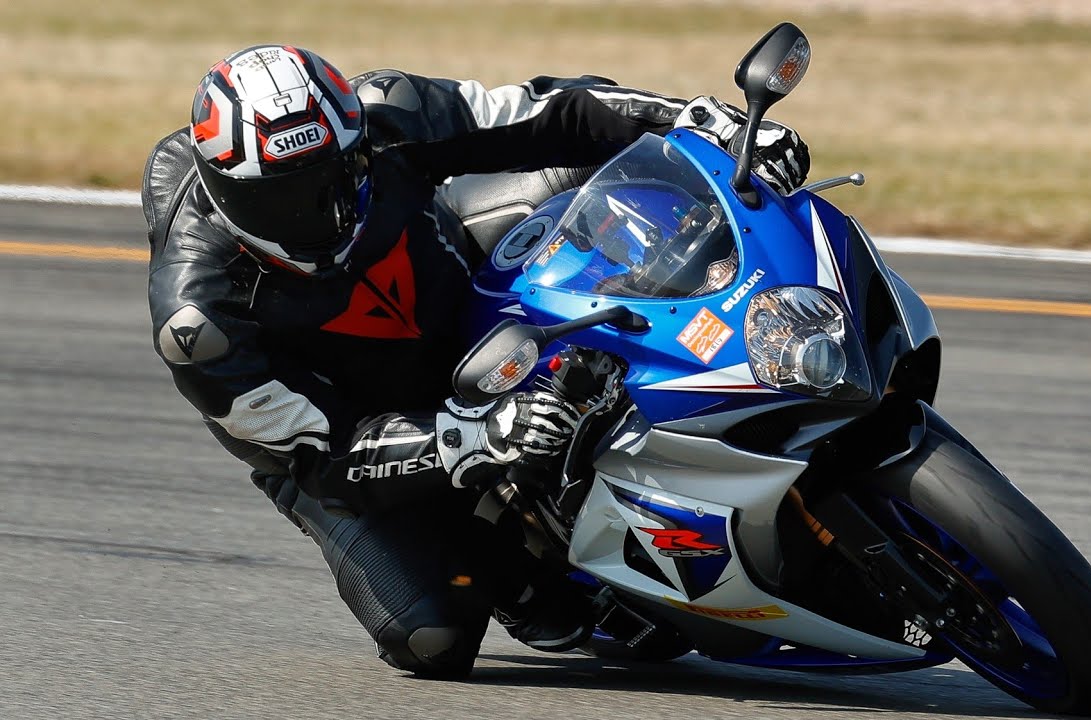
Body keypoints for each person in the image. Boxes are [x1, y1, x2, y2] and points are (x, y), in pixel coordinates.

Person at [143, 44, 809, 679]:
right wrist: (473, 438)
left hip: (456, 287)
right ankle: (514, 570)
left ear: (356, 144)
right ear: (225, 195)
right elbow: (328, 455)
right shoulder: (201, 321)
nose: (326, 215)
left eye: (338, 179)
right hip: (345, 437)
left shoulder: (386, 114)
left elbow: (548, 110)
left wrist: (698, 125)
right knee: (435, 636)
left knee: (610, 165)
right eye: (284, 200)